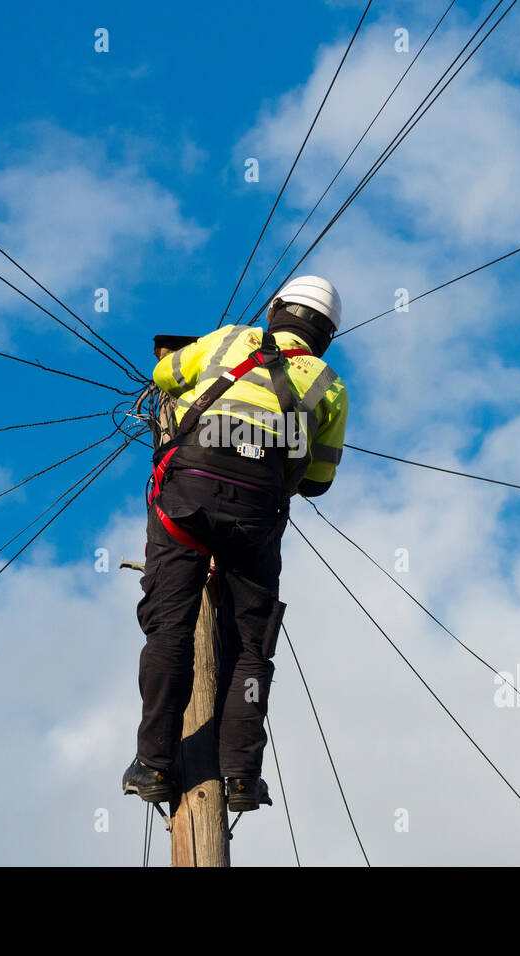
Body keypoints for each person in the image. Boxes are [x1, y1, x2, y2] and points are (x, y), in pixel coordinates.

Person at [123, 276, 349, 811]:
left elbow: (164, 373)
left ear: (275, 311)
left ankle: (153, 765)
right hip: (256, 520)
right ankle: (242, 777)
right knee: (250, 648)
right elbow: (318, 480)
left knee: (169, 626)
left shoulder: (229, 340)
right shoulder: (330, 385)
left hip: (186, 503)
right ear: (326, 337)